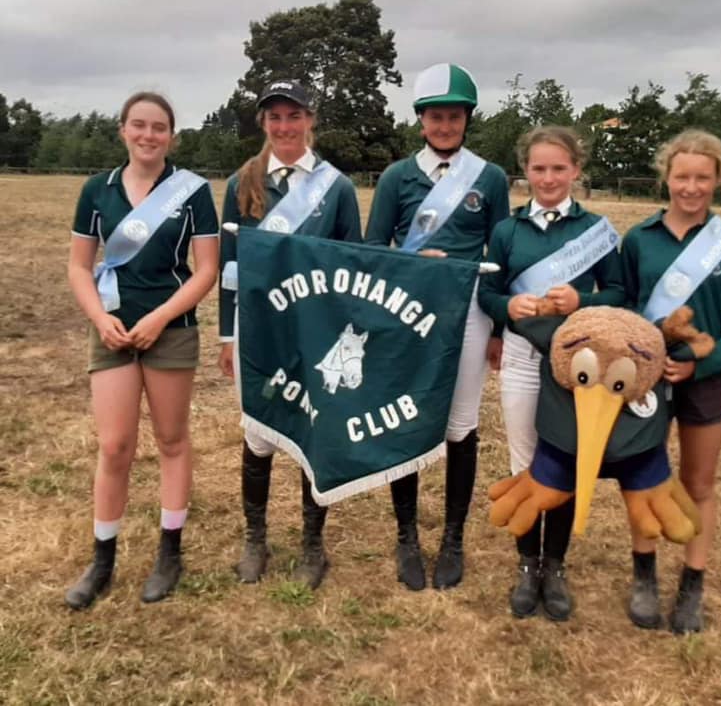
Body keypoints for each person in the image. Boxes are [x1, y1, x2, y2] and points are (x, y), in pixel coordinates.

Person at [65, 92, 219, 608]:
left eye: (159, 128)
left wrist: (159, 318)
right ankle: (102, 559)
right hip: (111, 330)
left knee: (172, 441)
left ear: (171, 136)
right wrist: (99, 319)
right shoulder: (96, 190)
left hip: (170, 331)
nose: (148, 136)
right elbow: (79, 267)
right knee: (115, 447)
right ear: (123, 130)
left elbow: (207, 271)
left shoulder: (192, 192)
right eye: (139, 125)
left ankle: (168, 553)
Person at [365, 62, 510, 591]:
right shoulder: (396, 176)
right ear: (421, 119)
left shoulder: (489, 177)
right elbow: (372, 250)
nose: (445, 125)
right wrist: (410, 263)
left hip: (468, 311)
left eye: (454, 115)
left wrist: (497, 326)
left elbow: (503, 252)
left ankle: (452, 537)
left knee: (459, 424)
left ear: (466, 119)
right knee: (405, 417)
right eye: (435, 116)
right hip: (405, 310)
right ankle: (407, 535)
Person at [219, 79, 362, 589]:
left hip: (316, 333)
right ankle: (255, 538)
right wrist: (226, 337)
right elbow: (229, 268)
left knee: (310, 432)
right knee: (258, 434)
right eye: (274, 117)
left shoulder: (338, 188)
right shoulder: (243, 183)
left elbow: (353, 268)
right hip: (258, 329)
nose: (284, 126)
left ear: (310, 120)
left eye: (293, 116)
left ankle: (311, 544)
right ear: (264, 123)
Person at [478, 126, 624, 619]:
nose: (548, 177)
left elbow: (622, 294)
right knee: (525, 463)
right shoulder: (506, 230)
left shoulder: (597, 229)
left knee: (561, 461)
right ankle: (526, 566)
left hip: (577, 368)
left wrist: (585, 300)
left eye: (558, 168)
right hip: (521, 357)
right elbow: (485, 293)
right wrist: (506, 305)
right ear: (526, 172)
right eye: (538, 168)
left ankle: (554, 566)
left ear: (576, 171)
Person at [620, 129, 721, 633]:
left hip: (706, 380)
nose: (691, 187)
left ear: (718, 179)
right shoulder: (639, 239)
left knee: (699, 483)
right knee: (644, 478)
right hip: (648, 380)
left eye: (703, 177)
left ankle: (692, 586)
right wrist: (648, 359)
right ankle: (644, 577)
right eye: (683, 176)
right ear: (667, 177)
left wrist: (705, 363)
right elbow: (626, 308)